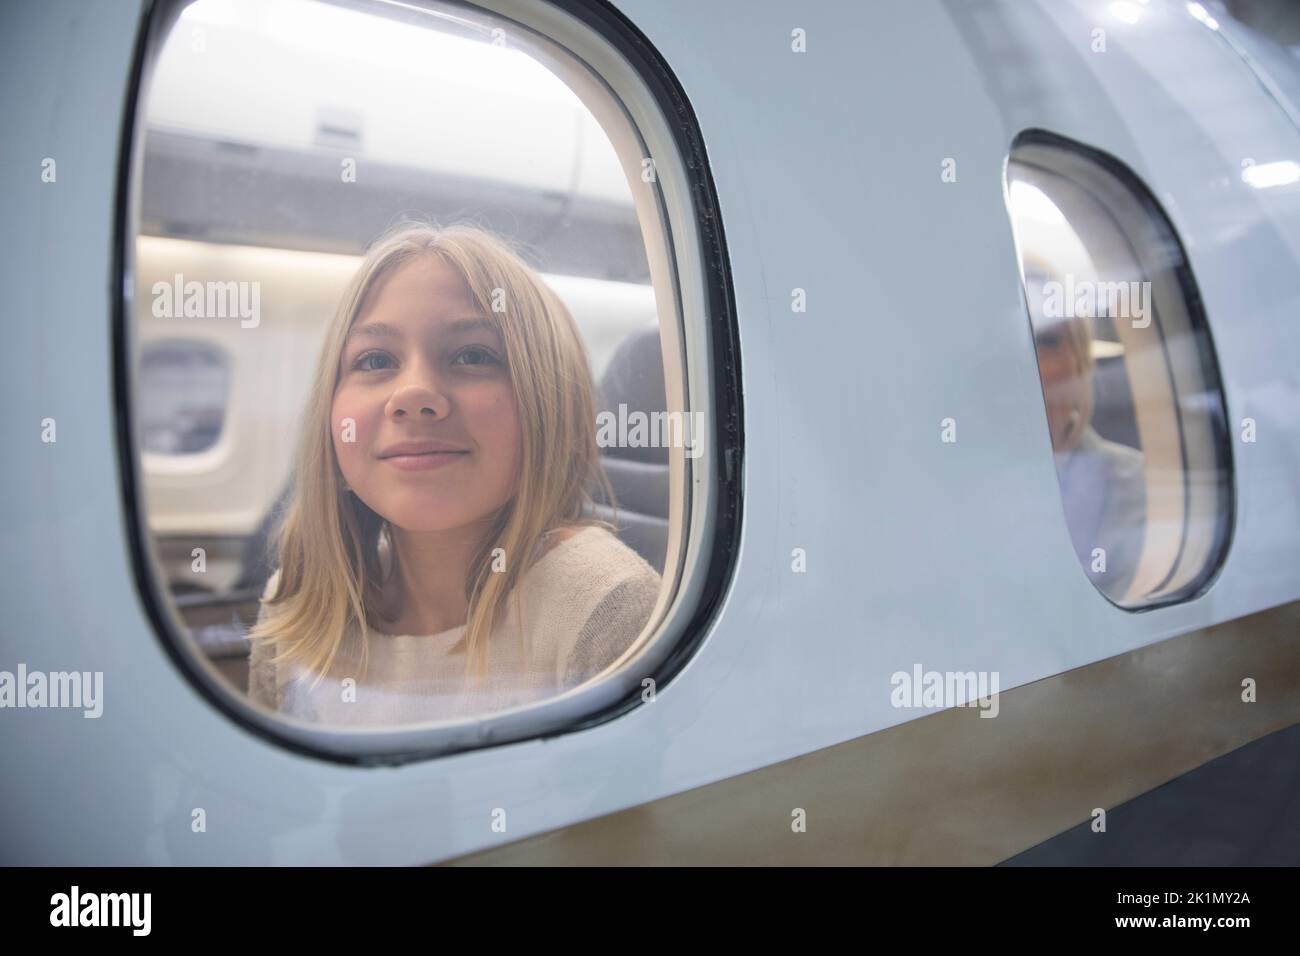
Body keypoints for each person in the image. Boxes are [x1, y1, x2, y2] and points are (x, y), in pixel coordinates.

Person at [246, 222, 661, 725]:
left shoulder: (604, 608)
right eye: (375, 360)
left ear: (549, 404)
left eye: (472, 355)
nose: (414, 394)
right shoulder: (299, 600)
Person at [1034, 309, 1147, 603]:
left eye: (1044, 341)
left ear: (1081, 361)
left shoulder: (1141, 487)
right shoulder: (945, 494)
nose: (1024, 360)